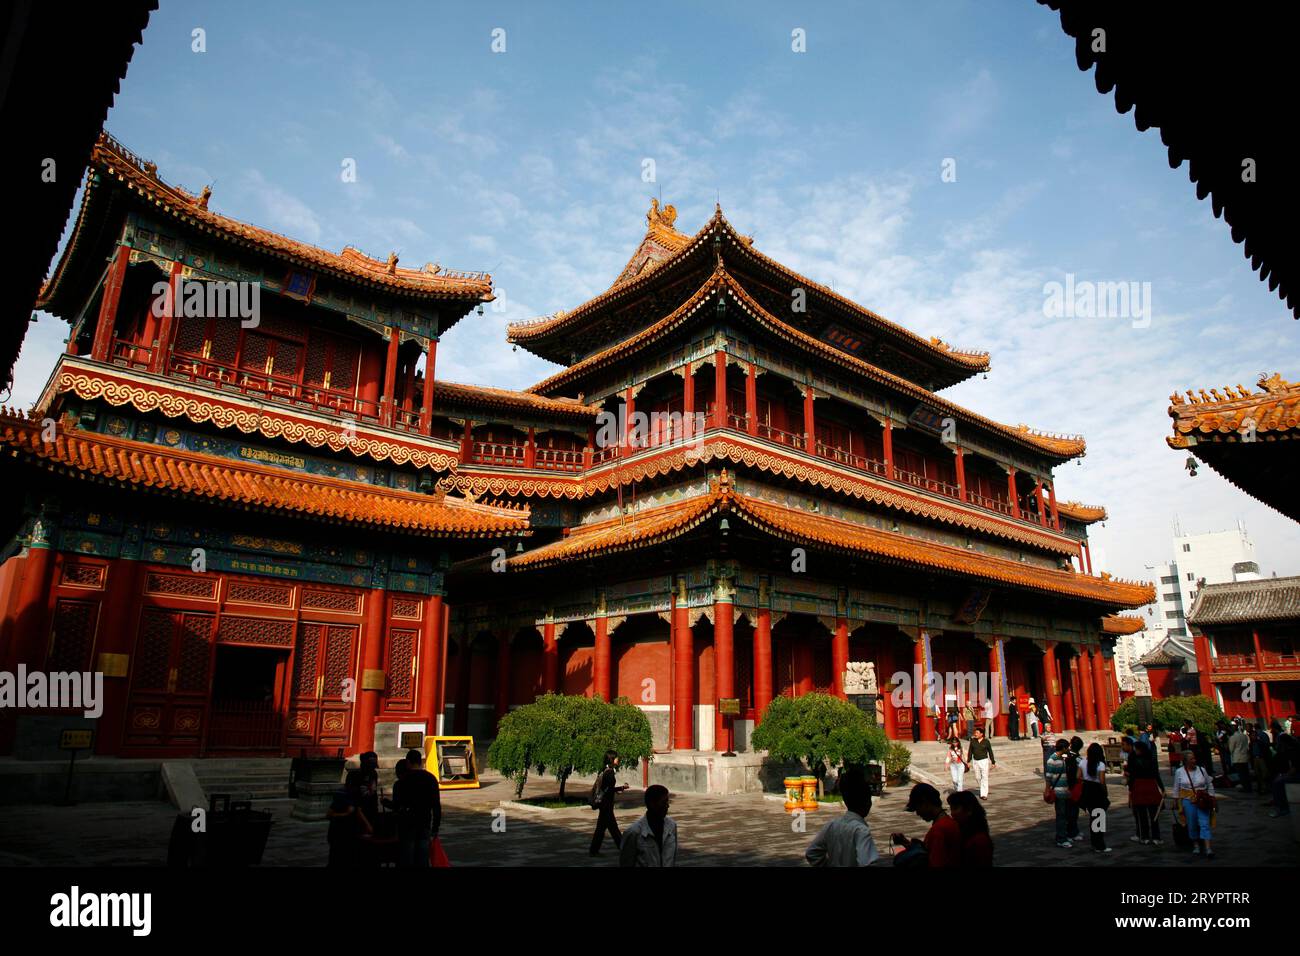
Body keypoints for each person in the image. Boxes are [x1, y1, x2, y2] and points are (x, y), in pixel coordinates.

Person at [805, 767, 880, 867]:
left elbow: (812, 853)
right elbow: (868, 862)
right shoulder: (861, 831)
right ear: (867, 800)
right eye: (868, 798)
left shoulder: (831, 825)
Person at [891, 782, 961, 867]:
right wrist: (906, 844)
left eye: (917, 808)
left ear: (925, 803)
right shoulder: (946, 823)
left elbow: (935, 862)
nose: (917, 813)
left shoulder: (939, 830)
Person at [393, 748, 440, 868]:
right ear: (421, 762)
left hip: (407, 823)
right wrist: (435, 827)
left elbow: (397, 805)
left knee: (407, 857)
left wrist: (386, 803)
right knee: (423, 857)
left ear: (408, 762)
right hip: (425, 821)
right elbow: (436, 805)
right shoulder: (431, 779)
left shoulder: (402, 781)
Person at [620, 785, 677, 867]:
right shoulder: (634, 832)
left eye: (667, 802)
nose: (667, 806)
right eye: (663, 802)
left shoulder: (671, 826)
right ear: (652, 804)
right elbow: (626, 862)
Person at [1173, 750, 1216, 858]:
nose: (1194, 760)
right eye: (1191, 759)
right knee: (1191, 824)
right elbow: (1176, 787)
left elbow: (1209, 783)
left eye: (1194, 758)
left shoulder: (1202, 770)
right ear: (1185, 761)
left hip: (1202, 800)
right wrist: (1175, 801)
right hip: (1188, 800)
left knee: (1204, 823)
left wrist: (1212, 796)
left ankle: (1208, 848)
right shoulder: (1179, 772)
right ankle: (1196, 844)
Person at [326, 770, 373, 867]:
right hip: (344, 831)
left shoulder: (343, 792)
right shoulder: (349, 793)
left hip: (338, 831)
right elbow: (356, 811)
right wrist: (368, 827)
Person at [590, 750, 629, 855]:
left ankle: (594, 850)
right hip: (606, 804)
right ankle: (622, 848)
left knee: (604, 828)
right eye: (616, 757)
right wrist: (621, 788)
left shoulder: (604, 769)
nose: (618, 759)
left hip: (604, 804)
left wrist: (617, 789)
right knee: (612, 828)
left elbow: (606, 788)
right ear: (612, 759)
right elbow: (608, 789)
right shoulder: (610, 772)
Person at [1127, 739, 1165, 846]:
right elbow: (1157, 774)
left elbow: (1132, 776)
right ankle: (1156, 837)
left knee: (1141, 814)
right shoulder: (1151, 759)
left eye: (1136, 749)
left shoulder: (1134, 760)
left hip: (1139, 786)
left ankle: (1144, 837)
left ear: (1139, 750)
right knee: (1154, 814)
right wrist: (1162, 788)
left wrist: (1130, 789)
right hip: (1151, 786)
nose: (1135, 751)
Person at [1045, 738, 1078, 848]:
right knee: (1061, 816)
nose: (1068, 749)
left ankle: (1065, 834)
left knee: (1066, 815)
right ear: (1063, 748)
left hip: (1065, 791)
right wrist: (1046, 790)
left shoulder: (1062, 759)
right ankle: (1061, 839)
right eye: (1067, 747)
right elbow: (1048, 777)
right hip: (1058, 792)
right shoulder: (1052, 760)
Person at [946, 790, 993, 866]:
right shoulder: (960, 830)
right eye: (951, 809)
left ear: (969, 810)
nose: (952, 813)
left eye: (955, 808)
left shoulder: (979, 839)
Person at [1080, 742, 1111, 854]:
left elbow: (1078, 776)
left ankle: (1094, 843)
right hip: (1097, 790)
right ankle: (1100, 845)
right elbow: (1102, 782)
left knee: (1093, 817)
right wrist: (1105, 792)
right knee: (1100, 818)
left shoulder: (1083, 762)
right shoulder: (1100, 764)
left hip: (1087, 790)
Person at [965, 726, 996, 800]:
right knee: (977, 777)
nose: (975, 734)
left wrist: (993, 762)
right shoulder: (973, 741)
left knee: (985, 777)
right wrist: (968, 761)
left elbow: (990, 752)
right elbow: (970, 752)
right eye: (975, 733)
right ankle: (983, 788)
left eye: (977, 733)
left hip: (984, 761)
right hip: (976, 761)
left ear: (981, 734)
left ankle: (984, 794)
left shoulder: (986, 741)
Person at [1228, 722, 1252, 792]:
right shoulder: (1244, 736)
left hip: (1237, 757)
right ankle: (1249, 786)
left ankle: (1245, 787)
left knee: (1241, 774)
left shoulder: (1233, 737)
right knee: (1246, 773)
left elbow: (1231, 749)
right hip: (1245, 756)